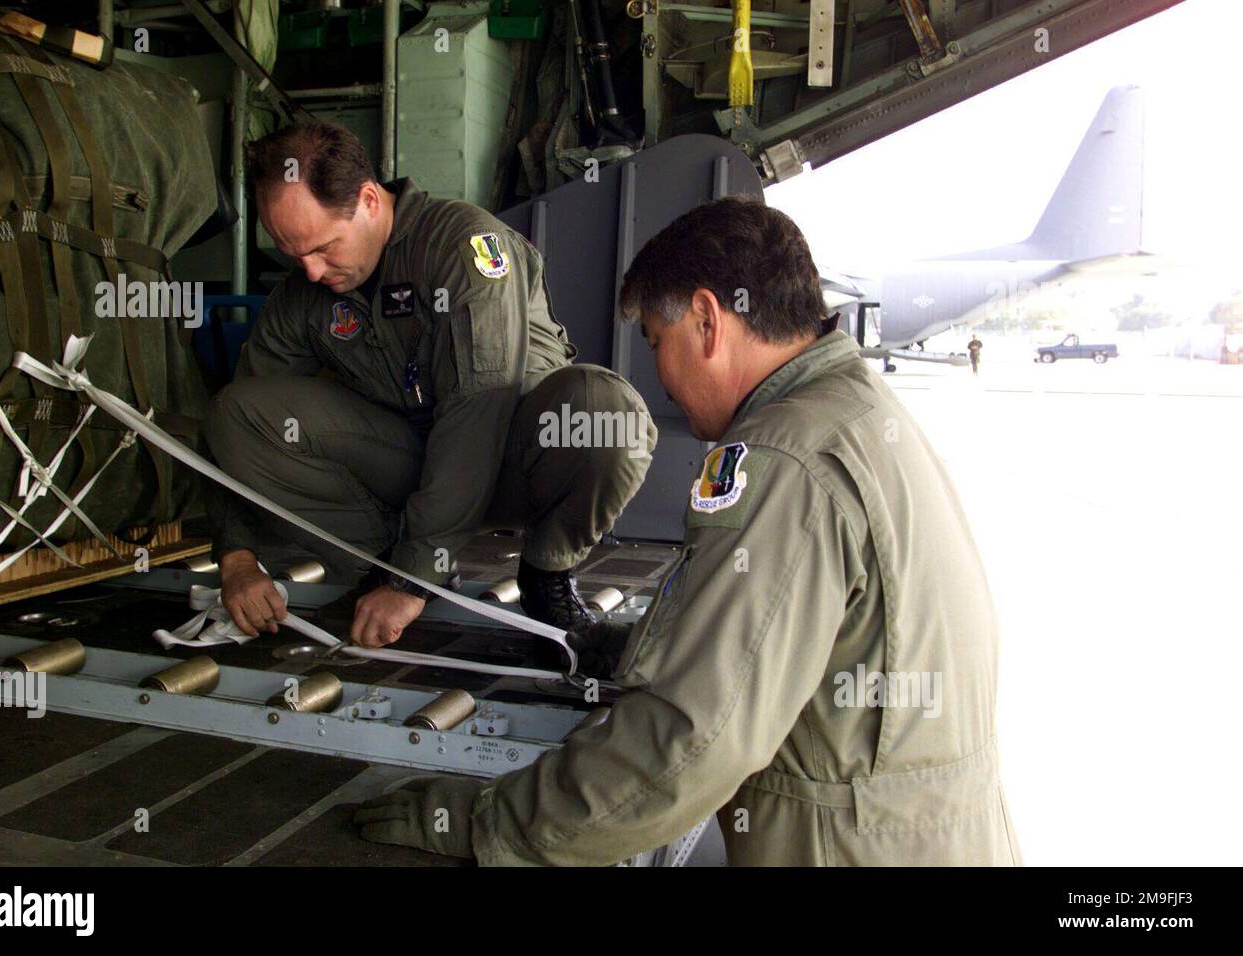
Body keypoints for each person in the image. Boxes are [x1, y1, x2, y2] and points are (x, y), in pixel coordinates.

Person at [355, 198, 1020, 866]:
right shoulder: (853, 410)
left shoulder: (781, 459)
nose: (661, 379)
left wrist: (484, 822)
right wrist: (643, 648)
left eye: (655, 341)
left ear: (707, 319)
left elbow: (693, 741)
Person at [202, 122, 656, 647]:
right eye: (292, 253)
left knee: (605, 415)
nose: (309, 271)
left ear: (370, 199)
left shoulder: (463, 248)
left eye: (324, 247)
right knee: (234, 413)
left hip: (513, 459)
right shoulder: (304, 294)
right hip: (412, 467)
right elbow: (232, 426)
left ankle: (546, 572)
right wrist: (236, 558)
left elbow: (476, 414)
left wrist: (411, 579)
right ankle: (382, 563)